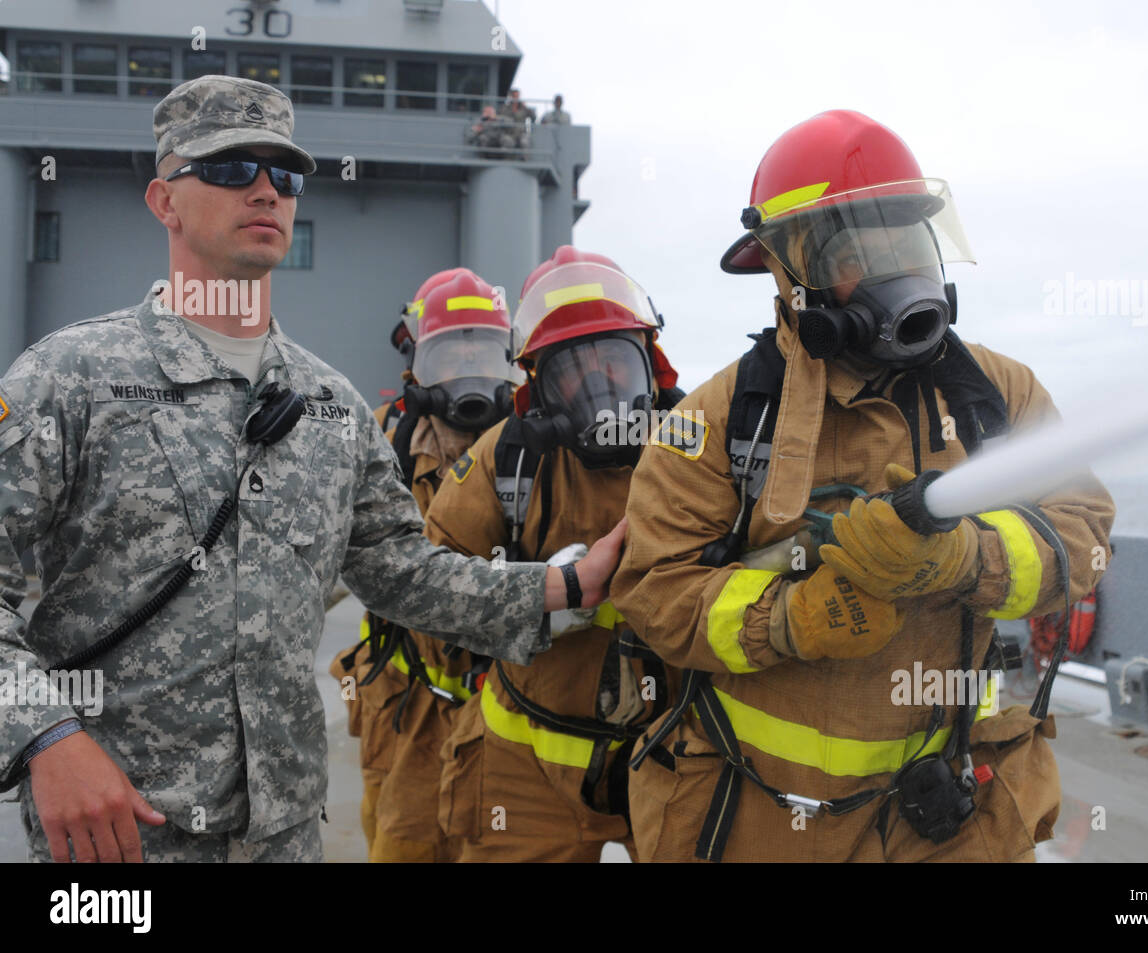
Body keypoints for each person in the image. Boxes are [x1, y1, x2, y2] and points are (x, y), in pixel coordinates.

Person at [0, 75, 624, 864]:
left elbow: (403, 571)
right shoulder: (69, 378)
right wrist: (47, 737)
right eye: (231, 169)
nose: (265, 190)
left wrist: (564, 585)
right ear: (165, 201)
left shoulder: (327, 403)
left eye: (284, 175)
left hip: (281, 837)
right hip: (118, 842)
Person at [611, 110, 1116, 862]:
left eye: (904, 241)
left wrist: (968, 559)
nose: (893, 272)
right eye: (856, 249)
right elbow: (654, 592)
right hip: (764, 817)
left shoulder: (997, 396)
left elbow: (1084, 535)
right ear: (791, 277)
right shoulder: (716, 421)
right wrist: (792, 618)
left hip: (951, 809)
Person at [428, 247, 683, 862]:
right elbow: (429, 585)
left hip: (673, 760)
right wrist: (542, 594)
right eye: (574, 368)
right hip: (526, 774)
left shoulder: (699, 451)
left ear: (650, 363)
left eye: (614, 361)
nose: (599, 386)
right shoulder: (506, 459)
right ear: (538, 385)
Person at [330, 267, 521, 862]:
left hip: (505, 705)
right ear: (416, 365)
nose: (468, 372)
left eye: (484, 352)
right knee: (400, 840)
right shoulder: (379, 441)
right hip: (404, 695)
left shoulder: (529, 449)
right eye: (449, 355)